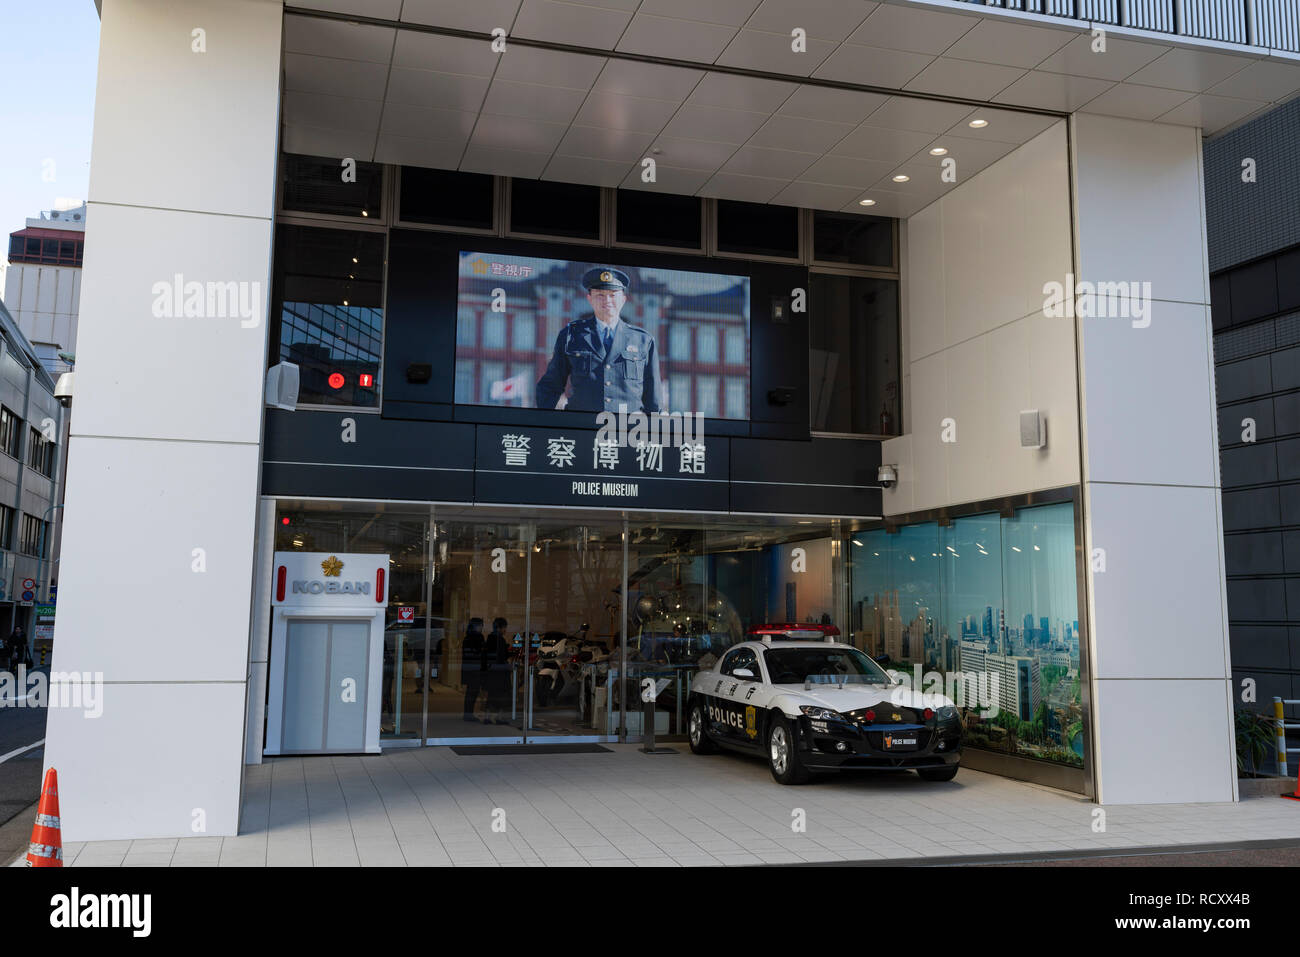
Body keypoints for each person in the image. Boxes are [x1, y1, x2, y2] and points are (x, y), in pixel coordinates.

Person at [535, 267, 662, 413]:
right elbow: (550, 386)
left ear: (623, 299)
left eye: (613, 295)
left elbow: (653, 398)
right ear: (589, 299)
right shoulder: (572, 335)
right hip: (581, 428)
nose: (607, 300)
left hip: (627, 430)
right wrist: (549, 423)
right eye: (600, 295)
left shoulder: (643, 341)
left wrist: (649, 432)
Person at [482, 617, 512, 725]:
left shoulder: (489, 638)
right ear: (500, 628)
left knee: (491, 694)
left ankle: (487, 717)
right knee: (502, 695)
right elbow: (502, 656)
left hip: (491, 671)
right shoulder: (500, 640)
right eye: (504, 628)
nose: (505, 630)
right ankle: (499, 717)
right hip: (500, 671)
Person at [461, 617, 485, 722]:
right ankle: (468, 714)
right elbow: (480, 652)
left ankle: (468, 713)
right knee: (473, 691)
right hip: (475, 668)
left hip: (468, 668)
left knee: (470, 691)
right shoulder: (478, 637)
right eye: (480, 625)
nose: (481, 628)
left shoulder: (467, 637)